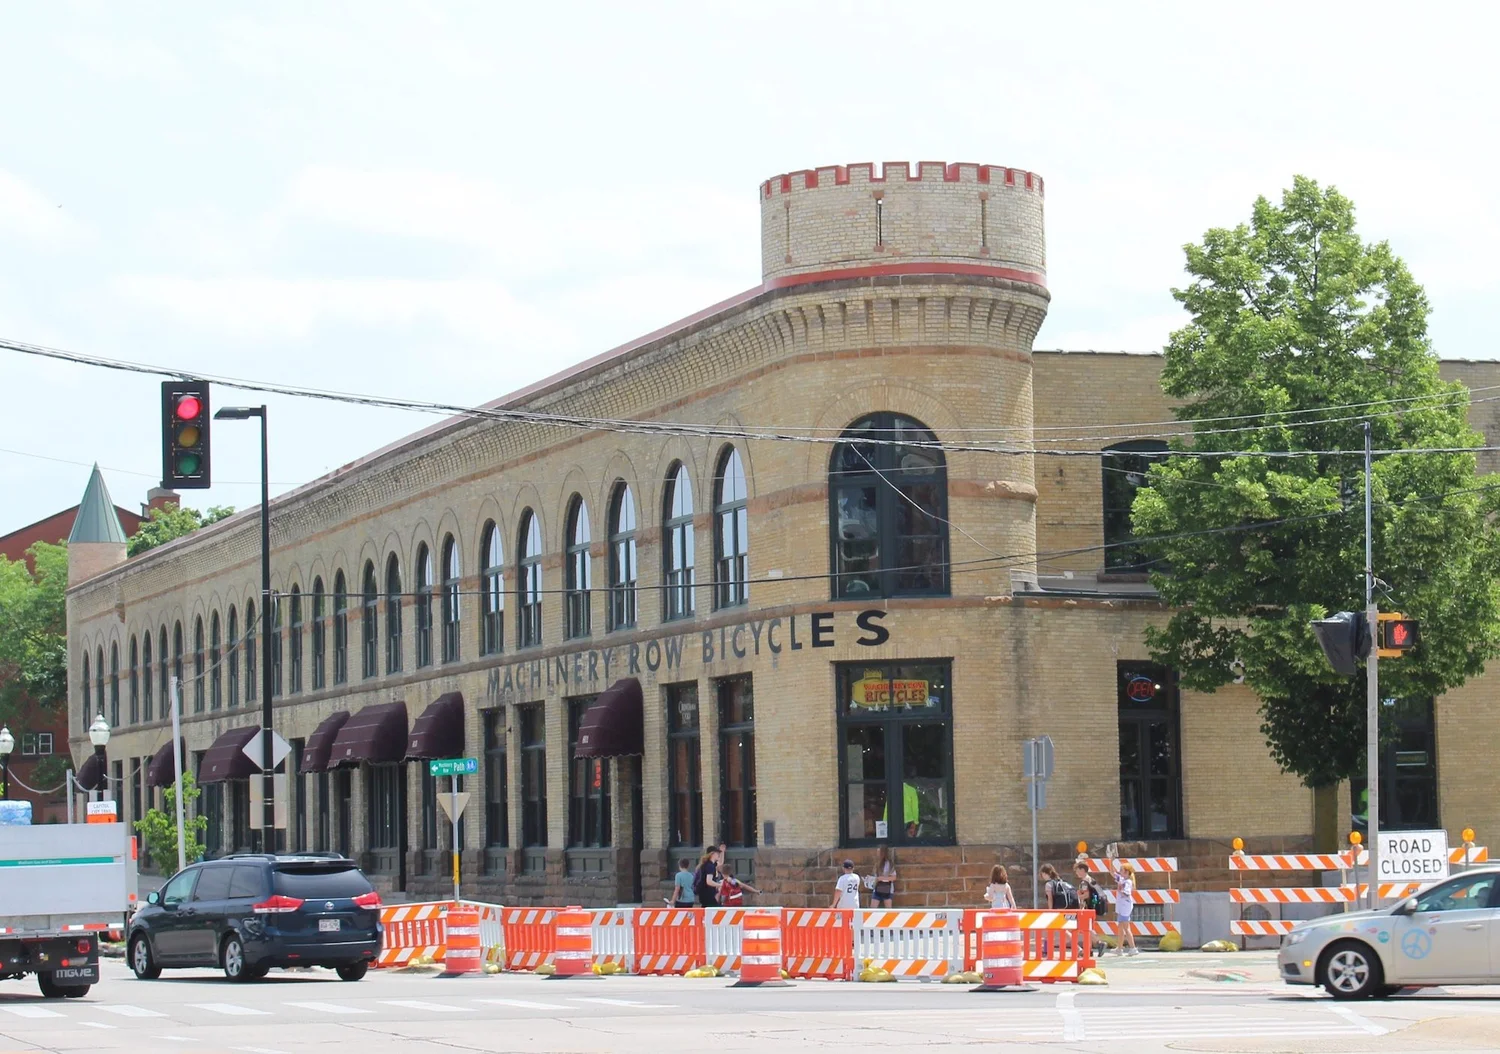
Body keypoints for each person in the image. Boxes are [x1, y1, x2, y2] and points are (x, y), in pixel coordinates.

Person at [1109, 859, 1139, 956]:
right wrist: (1110, 861)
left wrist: (1119, 889)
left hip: (1125, 906)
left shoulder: (1127, 882)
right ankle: (1120, 948)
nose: (1119, 871)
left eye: (1121, 870)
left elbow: (1126, 893)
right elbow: (1112, 873)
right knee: (1121, 928)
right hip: (1122, 907)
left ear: (1126, 872)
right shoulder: (1122, 880)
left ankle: (1133, 948)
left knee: (1126, 928)